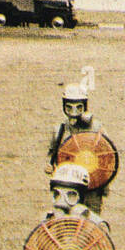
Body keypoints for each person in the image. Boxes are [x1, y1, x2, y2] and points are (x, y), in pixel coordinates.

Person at [45, 84, 107, 213]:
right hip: (68, 184)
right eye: (69, 107)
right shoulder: (60, 130)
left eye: (79, 107)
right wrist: (49, 164)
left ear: (85, 106)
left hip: (92, 185)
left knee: (91, 219)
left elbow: (107, 154)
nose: (73, 112)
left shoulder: (96, 127)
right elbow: (52, 153)